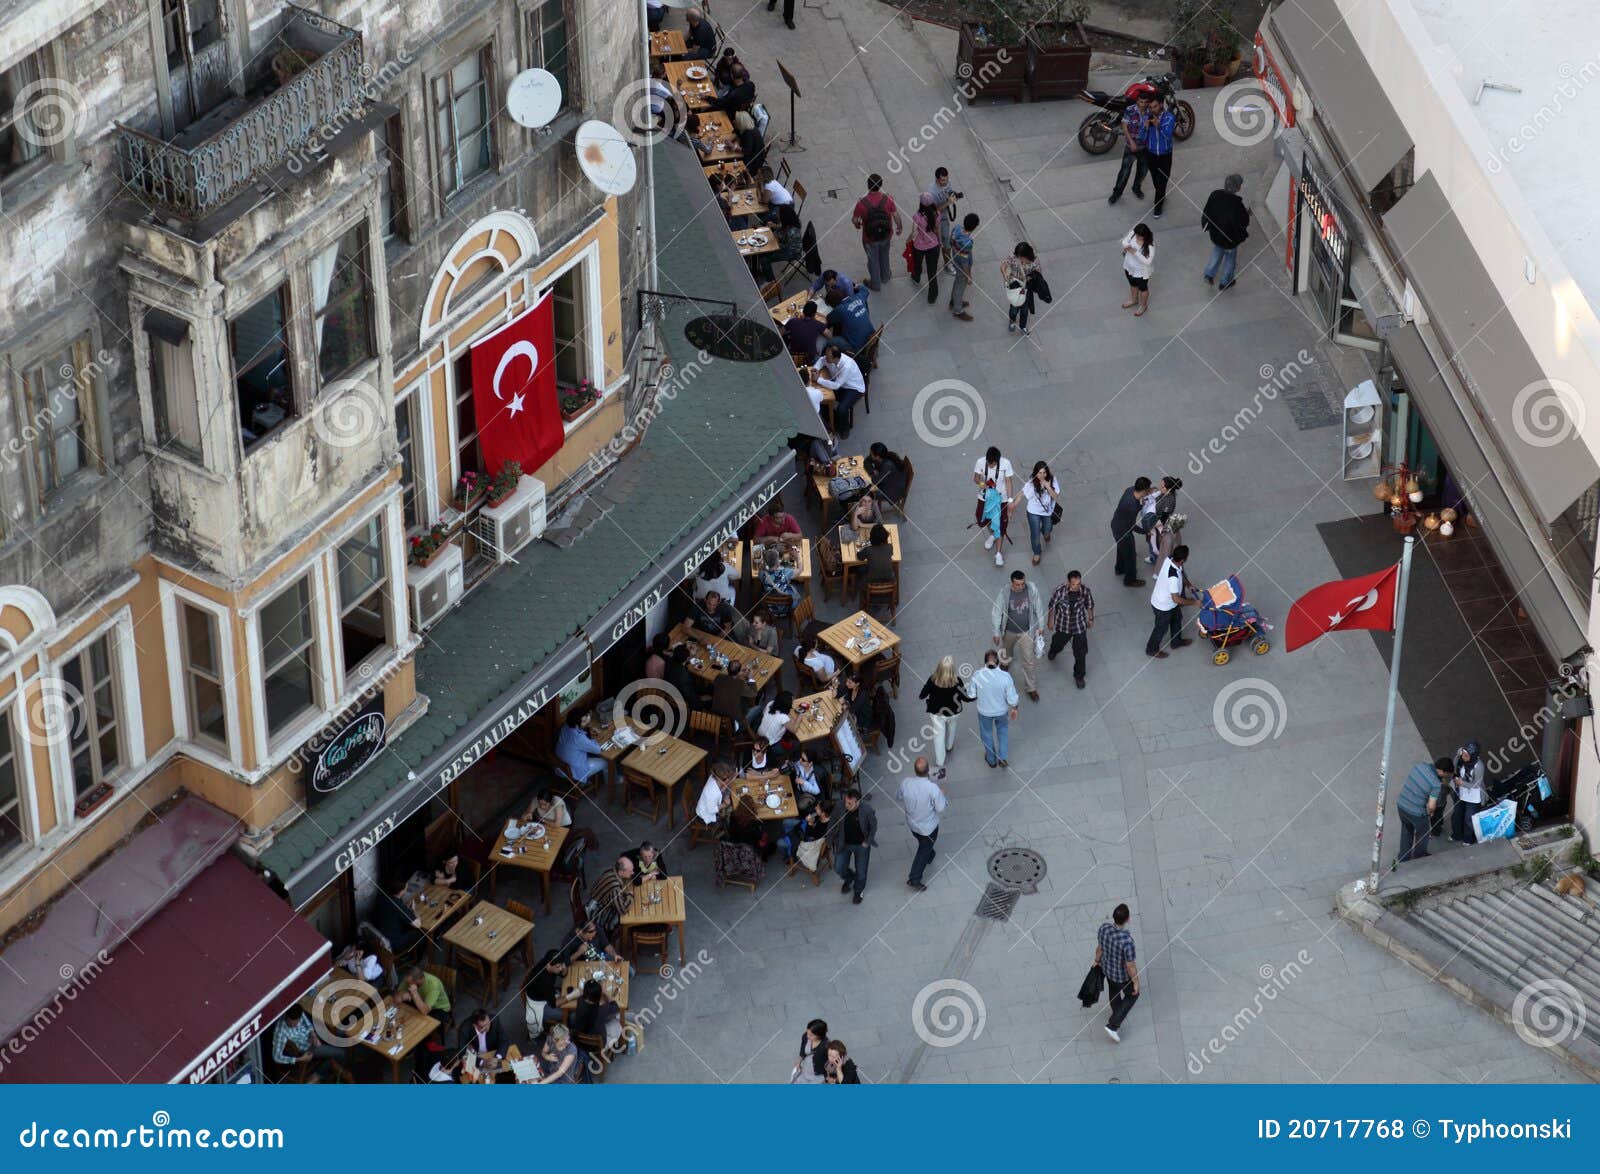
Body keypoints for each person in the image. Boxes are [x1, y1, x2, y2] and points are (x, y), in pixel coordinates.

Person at [992, 570, 1045, 702]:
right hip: (1009, 631)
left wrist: (1041, 626)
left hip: (1027, 632)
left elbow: (1039, 607)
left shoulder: (1031, 590)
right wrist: (996, 632)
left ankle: (1031, 688)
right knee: (1006, 653)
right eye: (1017, 584)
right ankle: (1005, 664)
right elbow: (996, 612)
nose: (1021, 587)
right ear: (1012, 583)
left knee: (1029, 661)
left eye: (1022, 584)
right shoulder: (1004, 593)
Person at [898, 757, 948, 892]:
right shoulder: (933, 788)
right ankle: (914, 878)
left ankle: (930, 855)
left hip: (912, 825)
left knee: (924, 844)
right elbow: (941, 808)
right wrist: (942, 794)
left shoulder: (905, 782)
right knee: (923, 850)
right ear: (928, 771)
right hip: (928, 828)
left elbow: (899, 796)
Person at [919, 655, 973, 771]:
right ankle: (949, 746)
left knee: (938, 737)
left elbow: (922, 695)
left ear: (939, 668)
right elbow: (966, 698)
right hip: (954, 712)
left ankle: (940, 761)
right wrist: (976, 695)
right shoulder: (957, 681)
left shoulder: (932, 679)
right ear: (953, 669)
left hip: (937, 714)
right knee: (952, 727)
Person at [1096, 903, 1140, 1042]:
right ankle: (1113, 1025)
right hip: (1121, 976)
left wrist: (1096, 960)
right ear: (1127, 919)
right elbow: (1130, 965)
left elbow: (1100, 947)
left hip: (1107, 969)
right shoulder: (1127, 941)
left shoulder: (1104, 928)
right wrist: (1136, 982)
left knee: (1114, 992)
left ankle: (1117, 1012)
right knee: (1133, 995)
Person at [851, 173, 902, 290]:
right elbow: (896, 215)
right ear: (880, 185)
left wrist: (857, 225)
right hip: (886, 235)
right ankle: (885, 277)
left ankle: (876, 284)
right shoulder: (888, 199)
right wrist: (900, 227)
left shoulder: (861, 203)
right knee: (884, 256)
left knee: (873, 260)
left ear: (868, 186)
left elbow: (854, 219)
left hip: (869, 238)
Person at [1146, 543, 1197, 659]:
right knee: (1161, 628)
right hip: (1163, 606)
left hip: (1169, 603)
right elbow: (1177, 599)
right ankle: (1151, 649)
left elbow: (1180, 572)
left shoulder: (1170, 559)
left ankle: (1176, 642)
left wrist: (1189, 585)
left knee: (1177, 618)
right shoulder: (1172, 577)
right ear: (1183, 559)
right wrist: (1194, 602)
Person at [826, 788, 877, 904]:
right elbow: (832, 822)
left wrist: (868, 842)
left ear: (857, 802)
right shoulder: (840, 806)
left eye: (850, 803)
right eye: (846, 802)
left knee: (862, 871)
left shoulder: (867, 810)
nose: (846, 805)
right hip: (844, 843)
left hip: (861, 845)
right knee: (838, 867)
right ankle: (849, 878)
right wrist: (829, 841)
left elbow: (873, 827)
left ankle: (858, 891)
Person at [971, 648, 1019, 769]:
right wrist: (1015, 708)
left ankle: (991, 760)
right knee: (1003, 732)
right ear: (998, 662)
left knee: (986, 734)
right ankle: (1002, 758)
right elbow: (1012, 698)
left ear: (985, 662)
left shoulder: (977, 675)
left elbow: (971, 695)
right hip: (1001, 712)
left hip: (984, 712)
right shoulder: (1005, 676)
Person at [1397, 757, 1452, 863]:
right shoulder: (1435, 784)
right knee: (1423, 833)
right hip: (1416, 812)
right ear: (1441, 771)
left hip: (1401, 805)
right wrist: (1430, 813)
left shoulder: (1419, 766)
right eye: (1446, 774)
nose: (1446, 777)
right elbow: (1431, 806)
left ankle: (1404, 858)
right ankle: (1419, 855)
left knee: (1406, 831)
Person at [1047, 571, 1095, 689]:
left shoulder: (1085, 591)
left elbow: (1089, 605)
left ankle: (1079, 676)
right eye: (1074, 584)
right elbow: (1052, 606)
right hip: (1064, 625)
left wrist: (1091, 618)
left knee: (1081, 652)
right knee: (1058, 642)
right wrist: (1050, 620)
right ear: (1069, 583)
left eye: (1079, 583)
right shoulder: (1059, 592)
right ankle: (1054, 650)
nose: (1077, 586)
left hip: (1079, 626)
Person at [1201, 173, 1250, 290]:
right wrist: (1247, 214)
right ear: (1238, 188)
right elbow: (1244, 222)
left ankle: (1209, 274)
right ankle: (1225, 281)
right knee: (1230, 259)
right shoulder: (1237, 204)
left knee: (1217, 251)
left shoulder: (1215, 195)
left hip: (1216, 235)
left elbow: (1207, 212)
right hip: (1230, 239)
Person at [271, 1005, 346, 1075]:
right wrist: (300, 1059)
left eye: (297, 1021)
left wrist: (314, 1036)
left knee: (340, 1031)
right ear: (286, 1017)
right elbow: (276, 1057)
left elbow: (308, 1024)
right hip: (307, 1048)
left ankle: (332, 1064)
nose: (295, 1024)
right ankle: (324, 1073)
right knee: (341, 1053)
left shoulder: (298, 1012)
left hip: (312, 1036)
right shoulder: (280, 1032)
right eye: (291, 1023)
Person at [812, 345, 867, 438]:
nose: (826, 358)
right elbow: (821, 360)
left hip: (854, 388)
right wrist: (815, 368)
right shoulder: (829, 358)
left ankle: (845, 429)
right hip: (843, 385)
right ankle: (833, 419)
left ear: (835, 358)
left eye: (828, 357)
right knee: (823, 396)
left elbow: (836, 386)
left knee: (841, 409)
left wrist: (818, 380)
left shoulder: (847, 366)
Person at [974, 446, 1015, 567]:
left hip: (1001, 499)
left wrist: (1009, 500)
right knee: (982, 520)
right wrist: (982, 484)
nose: (990, 465)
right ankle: (993, 535)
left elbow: (1008, 482)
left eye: (993, 464)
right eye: (989, 463)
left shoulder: (1006, 464)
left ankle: (998, 554)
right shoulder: (980, 462)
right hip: (985, 497)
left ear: (998, 460)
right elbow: (975, 478)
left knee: (1001, 526)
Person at [1106, 88, 1149, 205]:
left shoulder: (1149, 111)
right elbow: (1124, 127)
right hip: (1131, 146)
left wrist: (1148, 125)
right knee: (1125, 171)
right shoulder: (1130, 110)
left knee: (1143, 170)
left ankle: (1136, 188)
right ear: (1137, 101)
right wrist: (1132, 142)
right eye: (1141, 102)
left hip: (1144, 147)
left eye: (1145, 103)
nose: (1143, 105)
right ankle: (1117, 193)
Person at [1110, 476, 1152, 588]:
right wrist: (1145, 531)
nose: (1148, 491)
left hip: (1116, 525)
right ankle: (1130, 579)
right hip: (1124, 531)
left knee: (1121, 548)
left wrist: (1141, 502)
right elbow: (1131, 526)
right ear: (1143, 490)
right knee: (1131, 556)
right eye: (1148, 490)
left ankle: (1119, 568)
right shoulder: (1132, 506)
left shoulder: (1130, 490)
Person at [1141, 93, 1176, 217]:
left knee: (1162, 182)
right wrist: (1145, 128)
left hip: (1165, 155)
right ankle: (1161, 195)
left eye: (1154, 107)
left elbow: (1168, 136)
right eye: (1150, 107)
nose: (1152, 110)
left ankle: (1158, 206)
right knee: (1156, 182)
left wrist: (1158, 125)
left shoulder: (1169, 118)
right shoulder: (1146, 117)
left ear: (1161, 105)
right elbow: (1141, 138)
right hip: (1150, 155)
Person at [569, 978, 624, 1053]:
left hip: (579, 1042)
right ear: (599, 995)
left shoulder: (580, 1000)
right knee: (617, 1019)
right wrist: (606, 993)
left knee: (573, 1016)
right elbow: (616, 1008)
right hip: (597, 1046)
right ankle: (620, 1045)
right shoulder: (602, 1008)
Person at [1021, 460, 1060, 565]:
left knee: (1048, 528)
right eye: (1039, 473)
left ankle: (1046, 533)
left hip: (1047, 512)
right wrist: (1013, 504)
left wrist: (1047, 486)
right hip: (1033, 511)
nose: (1042, 475)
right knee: (1035, 534)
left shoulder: (1053, 480)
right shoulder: (1031, 482)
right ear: (1035, 473)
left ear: (1047, 473)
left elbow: (1055, 497)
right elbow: (1023, 493)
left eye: (1044, 473)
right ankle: (1037, 552)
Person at [524, 948, 569, 1034]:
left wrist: (563, 966)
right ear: (548, 965)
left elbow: (563, 974)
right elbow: (553, 1003)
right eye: (558, 967)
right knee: (565, 1013)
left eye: (561, 965)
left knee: (566, 997)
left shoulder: (551, 963)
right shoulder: (544, 981)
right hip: (539, 1004)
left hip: (548, 993)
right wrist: (571, 996)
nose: (560, 969)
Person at [556, 710, 607, 786]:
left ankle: (583, 783)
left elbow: (579, 734)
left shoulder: (566, 726)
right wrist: (592, 738)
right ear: (577, 724)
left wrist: (587, 732)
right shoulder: (578, 737)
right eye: (584, 722)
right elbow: (598, 750)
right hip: (573, 771)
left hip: (559, 767)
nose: (586, 722)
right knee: (606, 762)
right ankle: (612, 783)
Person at [1451, 740, 1488, 844]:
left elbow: (1477, 784)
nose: (1463, 757)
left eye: (1466, 756)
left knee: (1469, 818)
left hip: (1473, 795)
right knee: (1457, 814)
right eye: (1463, 754)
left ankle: (1468, 839)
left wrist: (1462, 783)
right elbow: (1454, 767)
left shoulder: (1479, 766)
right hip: (1461, 792)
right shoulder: (1460, 758)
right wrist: (1457, 757)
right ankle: (1456, 834)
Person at [909, 193, 942, 305]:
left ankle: (916, 277)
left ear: (921, 204)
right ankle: (932, 296)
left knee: (917, 264)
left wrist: (907, 240)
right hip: (933, 245)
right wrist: (940, 241)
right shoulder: (937, 214)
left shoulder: (917, 216)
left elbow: (913, 233)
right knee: (932, 271)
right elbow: (937, 230)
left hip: (919, 246)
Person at [1000, 242, 1040, 334]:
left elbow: (1038, 272)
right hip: (1015, 286)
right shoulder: (1014, 256)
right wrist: (1004, 273)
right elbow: (1003, 265)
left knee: (1025, 310)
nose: (1019, 258)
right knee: (1014, 308)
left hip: (1026, 287)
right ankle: (1012, 321)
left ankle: (1023, 326)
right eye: (1018, 256)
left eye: (1021, 257)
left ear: (1026, 255)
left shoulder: (1034, 259)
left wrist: (1027, 278)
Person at [589, 855, 635, 932]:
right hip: (596, 911)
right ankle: (613, 934)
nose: (633, 872)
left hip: (594, 898)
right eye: (630, 871)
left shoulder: (611, 869)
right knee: (625, 917)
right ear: (621, 872)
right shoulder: (615, 888)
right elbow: (622, 910)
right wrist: (630, 896)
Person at [822, 288, 875, 355]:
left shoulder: (840, 309)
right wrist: (856, 287)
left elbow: (829, 318)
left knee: (831, 342)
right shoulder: (858, 297)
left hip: (857, 346)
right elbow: (865, 290)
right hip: (871, 336)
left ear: (834, 304)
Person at [374, 882, 422, 953]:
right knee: (421, 933)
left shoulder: (383, 897)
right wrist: (413, 910)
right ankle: (415, 958)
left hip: (383, 934)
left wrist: (406, 910)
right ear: (402, 891)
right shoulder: (398, 905)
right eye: (406, 887)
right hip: (394, 944)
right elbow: (418, 924)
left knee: (407, 924)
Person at [947, 211, 978, 321]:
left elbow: (950, 242)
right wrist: (968, 276)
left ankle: (954, 301)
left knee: (957, 283)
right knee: (960, 286)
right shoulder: (967, 243)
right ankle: (957, 310)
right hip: (961, 265)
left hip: (955, 258)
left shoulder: (957, 228)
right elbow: (965, 263)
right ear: (974, 227)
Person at [930, 166, 962, 269]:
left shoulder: (947, 183)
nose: (946, 182)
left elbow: (949, 192)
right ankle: (947, 264)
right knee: (943, 244)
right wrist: (948, 202)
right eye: (943, 180)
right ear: (937, 179)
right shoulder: (932, 192)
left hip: (944, 217)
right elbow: (934, 211)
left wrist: (953, 196)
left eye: (947, 179)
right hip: (936, 219)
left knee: (945, 243)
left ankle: (947, 263)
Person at [1120, 222, 1155, 316]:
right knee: (1132, 285)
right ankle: (1134, 300)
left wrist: (1135, 252)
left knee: (1143, 288)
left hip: (1141, 272)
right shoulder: (1134, 233)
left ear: (1145, 235)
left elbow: (1148, 262)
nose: (1137, 237)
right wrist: (1127, 246)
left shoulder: (1150, 246)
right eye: (1137, 235)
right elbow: (1124, 242)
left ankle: (1143, 305)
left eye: (1139, 236)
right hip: (1129, 267)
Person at [865, 442, 909, 509]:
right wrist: (873, 471)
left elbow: (875, 481)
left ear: (877, 456)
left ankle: (870, 511)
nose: (870, 455)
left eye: (871, 454)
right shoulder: (882, 456)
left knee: (866, 491)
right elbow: (866, 461)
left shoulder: (887, 465)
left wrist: (873, 474)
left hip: (891, 489)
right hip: (885, 480)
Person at [759, 546, 801, 612]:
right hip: (786, 606)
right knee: (795, 587)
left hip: (770, 605)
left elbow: (762, 567)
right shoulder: (784, 572)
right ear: (777, 563)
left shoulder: (762, 573)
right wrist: (798, 555)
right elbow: (800, 570)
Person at [695, 762, 734, 830]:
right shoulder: (713, 793)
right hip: (705, 817)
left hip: (704, 807)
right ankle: (727, 832)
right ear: (717, 778)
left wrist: (725, 786)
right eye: (724, 779)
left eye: (728, 777)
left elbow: (719, 790)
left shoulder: (712, 777)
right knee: (733, 812)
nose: (728, 780)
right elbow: (711, 810)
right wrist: (725, 804)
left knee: (730, 798)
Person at [711, 660, 748, 730]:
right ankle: (743, 729)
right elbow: (753, 693)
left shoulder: (719, 677)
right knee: (753, 707)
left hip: (716, 711)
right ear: (739, 672)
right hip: (732, 719)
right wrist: (749, 678)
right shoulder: (740, 683)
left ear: (727, 669)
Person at [792, 1019, 829, 1083]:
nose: (808, 1036)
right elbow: (802, 1051)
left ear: (819, 1035)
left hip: (818, 1076)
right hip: (805, 1071)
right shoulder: (805, 1037)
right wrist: (799, 1061)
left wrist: (828, 1077)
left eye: (811, 1035)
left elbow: (831, 1063)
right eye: (807, 1033)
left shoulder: (826, 1046)